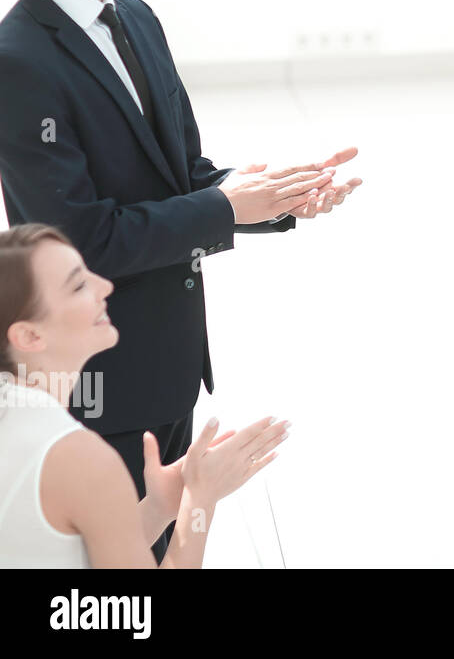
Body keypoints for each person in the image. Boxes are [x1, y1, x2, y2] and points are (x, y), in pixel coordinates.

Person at [0, 0, 361, 561]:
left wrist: (278, 196)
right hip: (98, 381)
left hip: (170, 367)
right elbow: (83, 239)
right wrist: (228, 208)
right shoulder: (16, 62)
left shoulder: (136, 18)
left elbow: (185, 178)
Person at [0, 224, 289, 568]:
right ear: (29, 336)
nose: (105, 285)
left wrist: (158, 508)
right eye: (78, 284)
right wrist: (199, 501)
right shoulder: (78, 456)